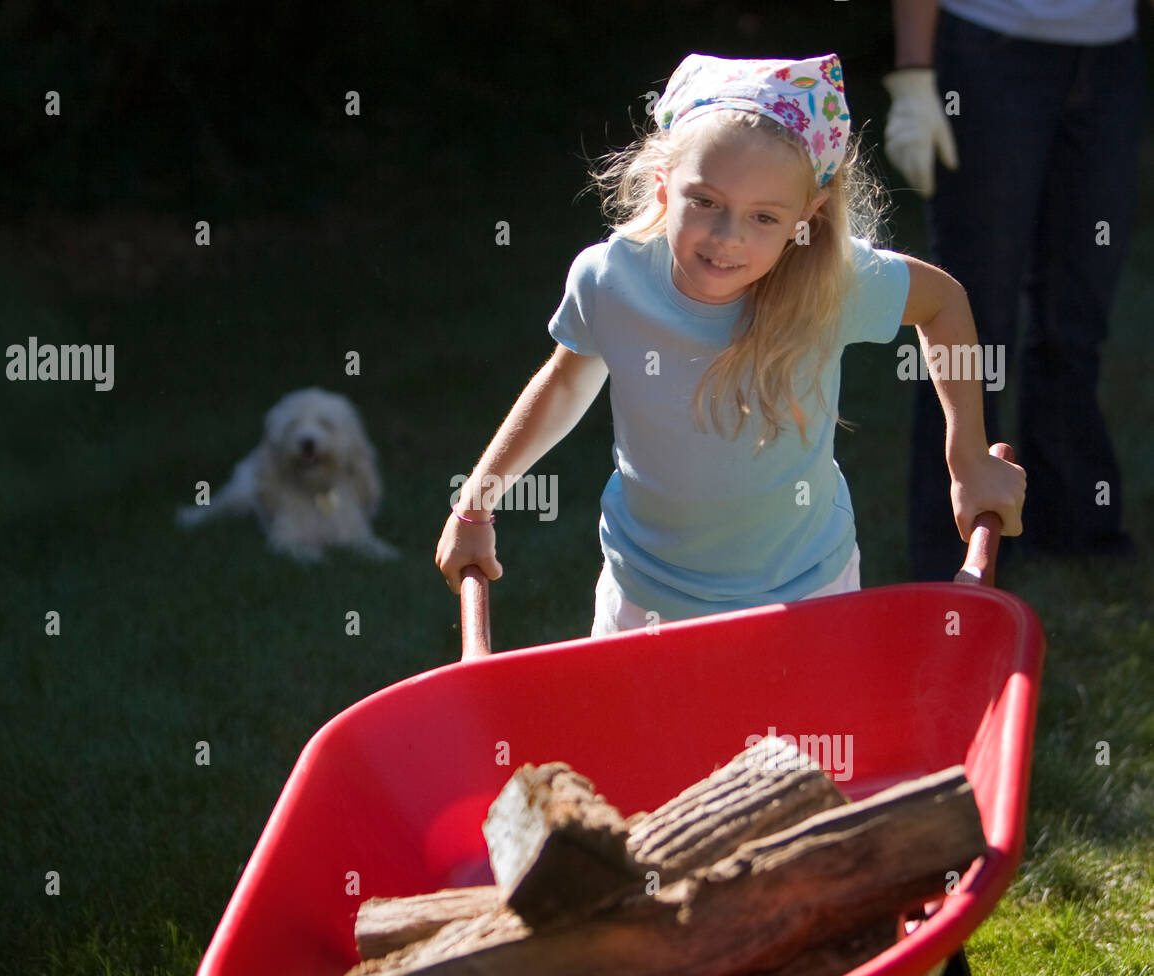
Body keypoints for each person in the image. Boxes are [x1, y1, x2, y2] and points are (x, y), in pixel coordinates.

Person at [434, 52, 1025, 636]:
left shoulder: (828, 285)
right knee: (646, 736)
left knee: (789, 738)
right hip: (646, 594)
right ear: (664, 184)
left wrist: (966, 455)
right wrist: (477, 502)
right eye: (706, 201)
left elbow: (942, 303)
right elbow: (566, 383)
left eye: (764, 218)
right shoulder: (611, 279)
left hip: (803, 594)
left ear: (808, 215)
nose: (727, 238)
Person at [883, 0, 1143, 578]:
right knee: (973, 312)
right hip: (989, 50)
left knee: (1077, 315)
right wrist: (913, 76)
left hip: (1112, 56)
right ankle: (950, 547)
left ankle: (1074, 529)